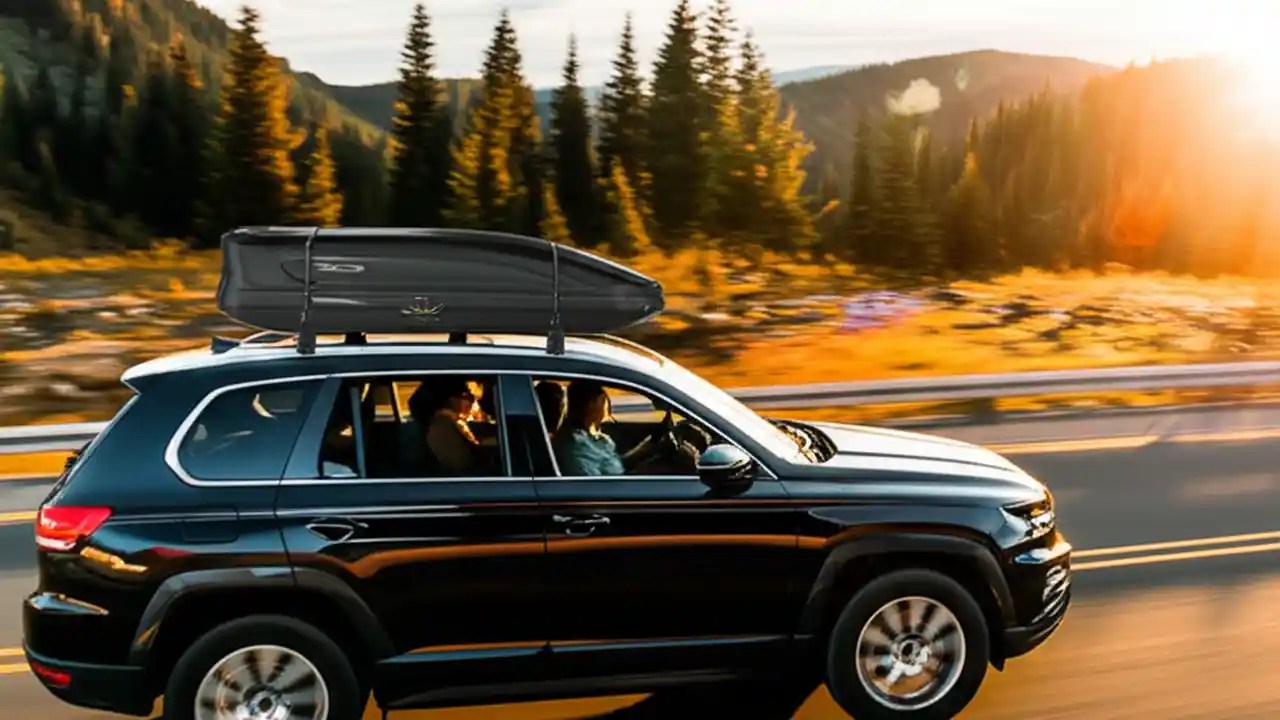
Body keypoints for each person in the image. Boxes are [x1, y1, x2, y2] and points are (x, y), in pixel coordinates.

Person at [553, 380, 658, 476]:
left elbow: (612, 464)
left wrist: (645, 449)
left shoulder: (590, 437)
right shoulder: (575, 447)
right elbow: (594, 485)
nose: (606, 406)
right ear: (592, 404)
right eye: (603, 401)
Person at [409, 377, 484, 475]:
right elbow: (461, 465)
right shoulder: (442, 429)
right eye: (466, 395)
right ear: (449, 399)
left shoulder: (449, 422)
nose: (472, 401)